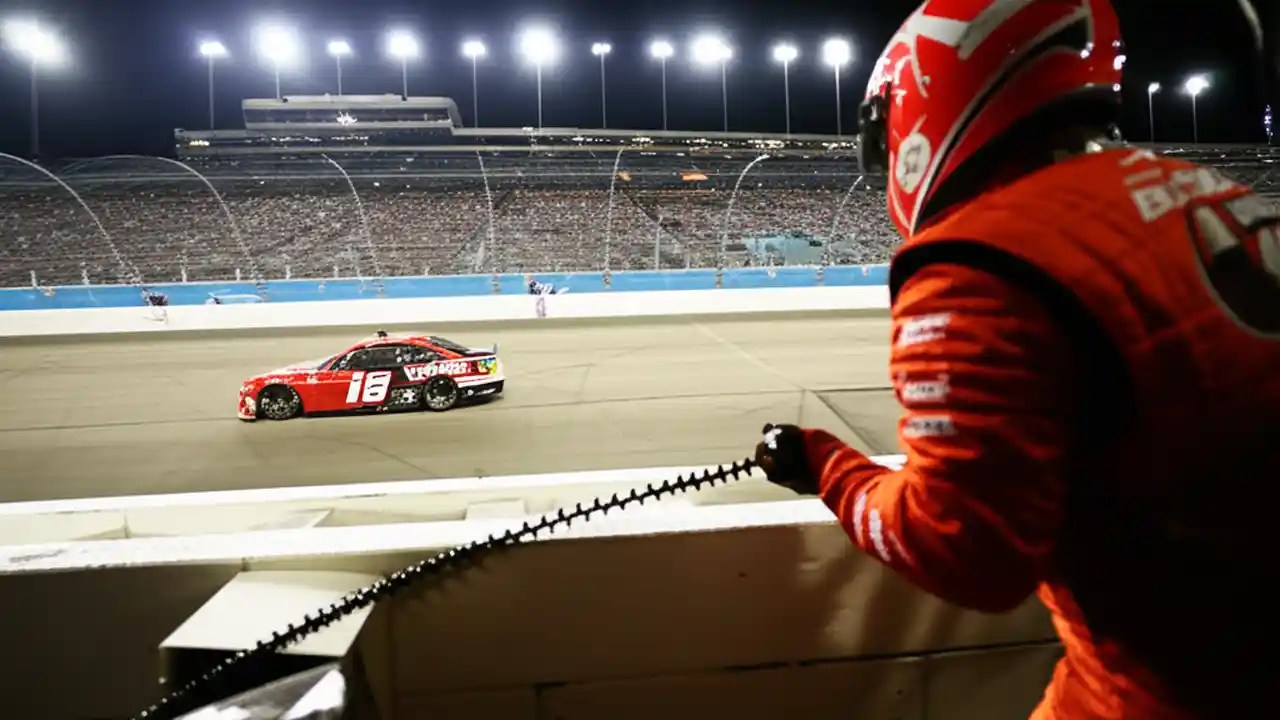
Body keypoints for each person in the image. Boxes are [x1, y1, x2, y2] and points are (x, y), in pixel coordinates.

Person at [753, 1, 1278, 718]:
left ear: (928, 98)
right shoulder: (1222, 197)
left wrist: (827, 467)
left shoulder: (982, 261)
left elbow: (965, 549)